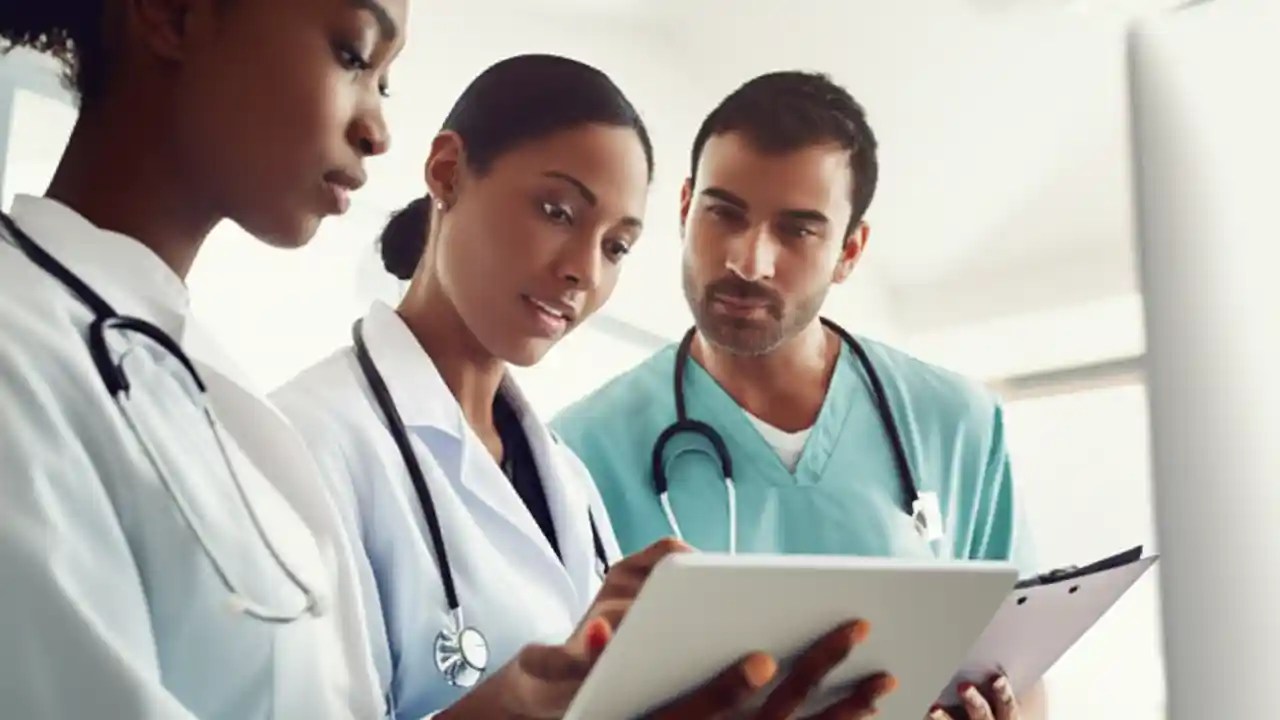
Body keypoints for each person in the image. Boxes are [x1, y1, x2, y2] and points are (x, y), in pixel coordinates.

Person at [272, 54, 898, 719]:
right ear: (448, 173)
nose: (583, 272)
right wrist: (508, 706)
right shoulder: (304, 446)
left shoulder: (564, 479)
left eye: (617, 247)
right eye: (557, 211)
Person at [551, 71, 1048, 719]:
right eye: (723, 213)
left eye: (797, 231)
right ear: (682, 208)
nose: (748, 260)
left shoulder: (958, 425)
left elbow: (1022, 676)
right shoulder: (581, 450)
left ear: (850, 251)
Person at [0, 0, 408, 717]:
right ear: (172, 14)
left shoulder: (191, 375)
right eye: (353, 54)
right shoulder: (18, 347)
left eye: (384, 82)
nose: (377, 131)